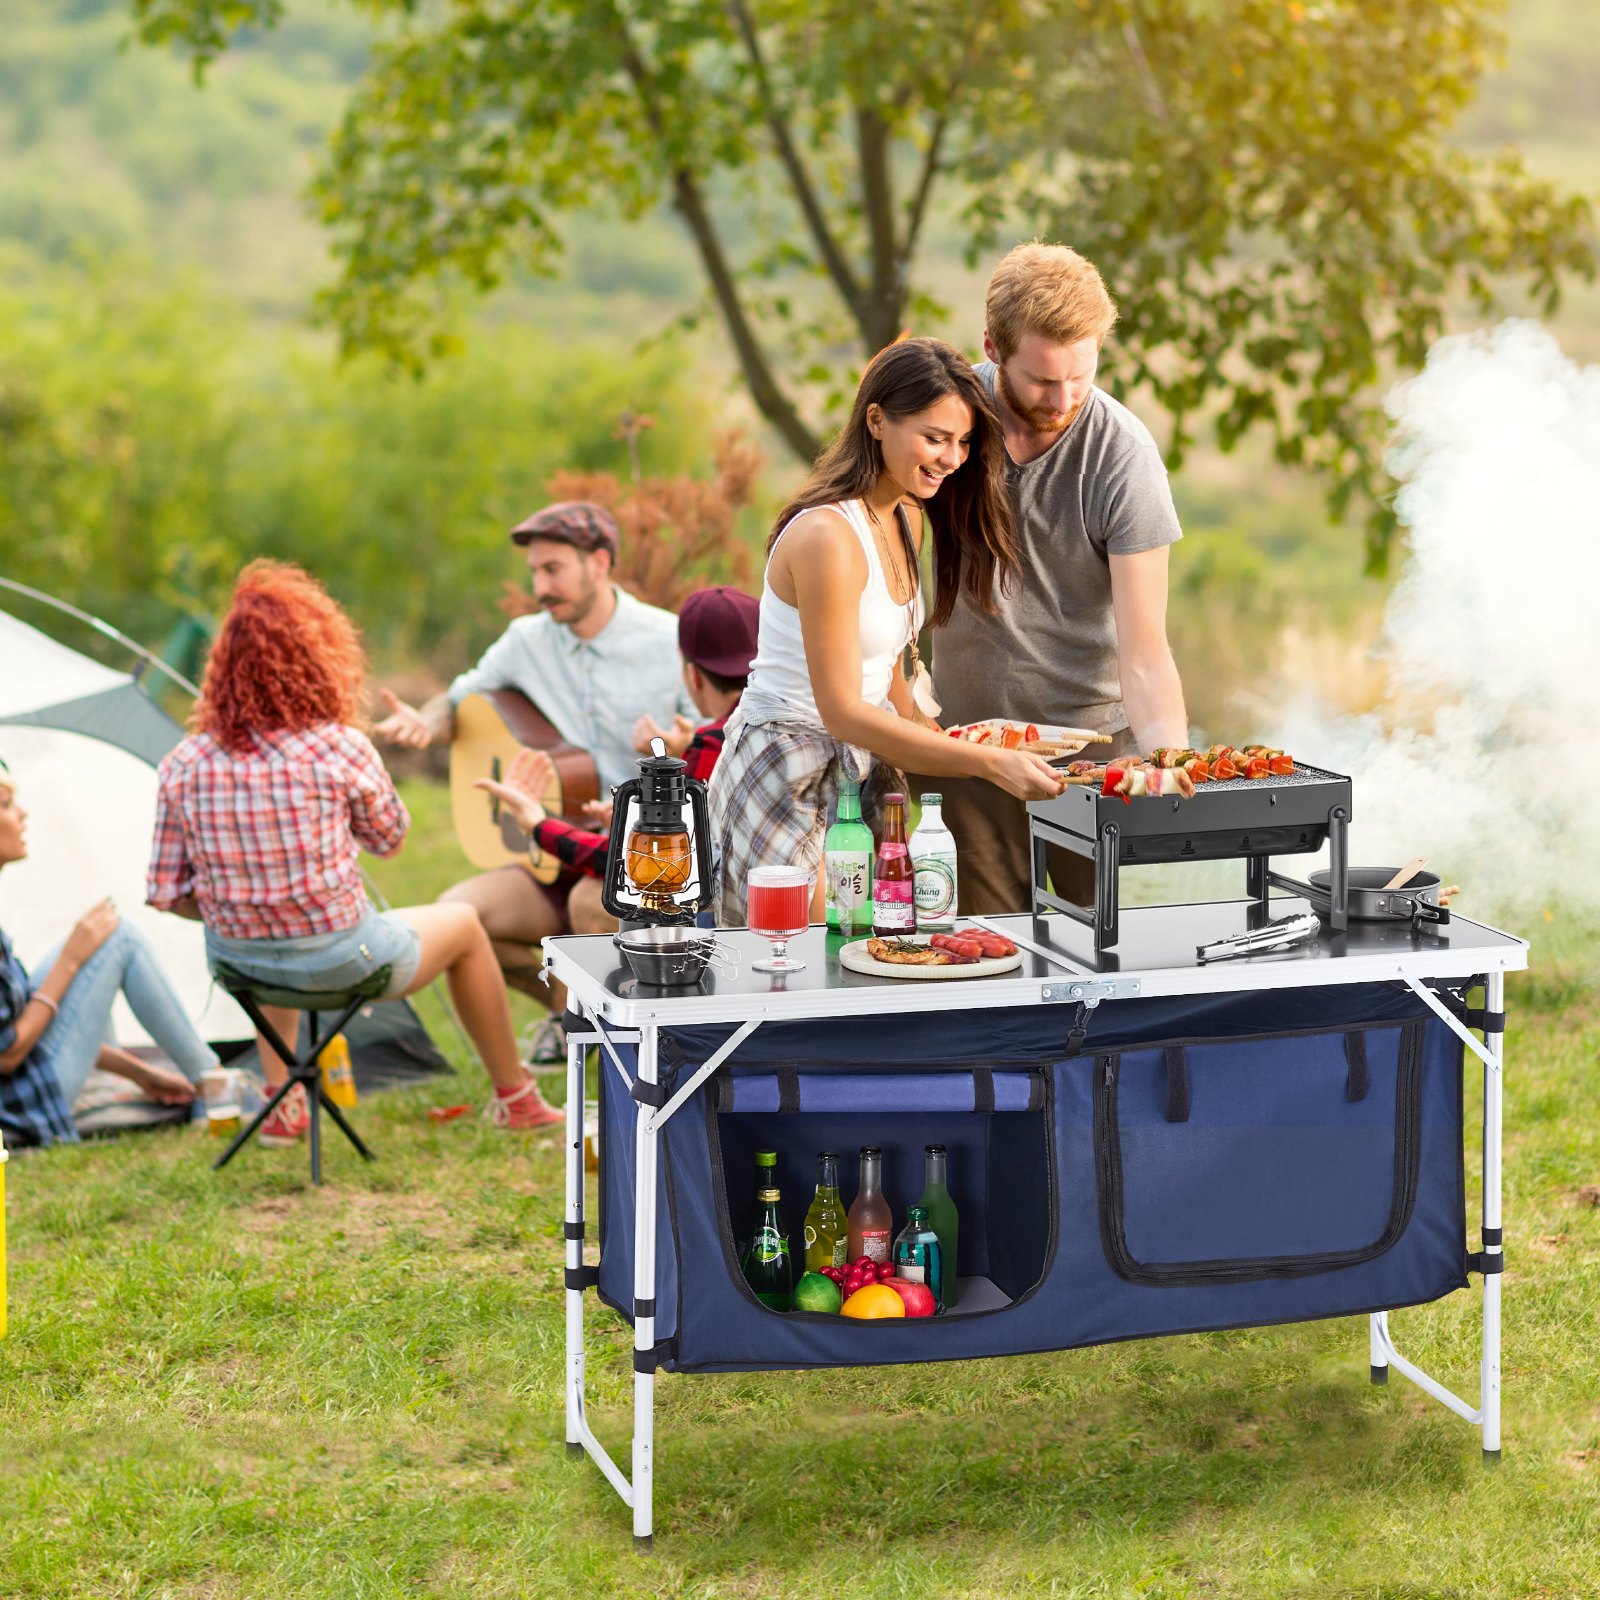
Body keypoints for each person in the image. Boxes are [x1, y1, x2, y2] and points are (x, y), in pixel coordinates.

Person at [146, 561, 561, 1137]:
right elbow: (390, 840)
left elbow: (167, 895)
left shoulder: (183, 762)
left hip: (238, 964)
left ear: (223, 670)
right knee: (465, 925)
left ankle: (283, 1103)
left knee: (268, 920)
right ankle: (516, 1097)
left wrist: (238, 901)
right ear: (319, 658)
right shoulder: (339, 748)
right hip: (344, 960)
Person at [706, 337, 1066, 928]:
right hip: (788, 765)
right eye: (935, 437)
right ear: (876, 420)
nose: (952, 458)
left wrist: (970, 744)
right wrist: (983, 766)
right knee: (806, 965)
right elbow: (844, 711)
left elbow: (892, 676)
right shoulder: (827, 537)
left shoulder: (905, 519)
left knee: (880, 951)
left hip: (861, 768)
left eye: (964, 441)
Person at [924, 241, 1190, 914]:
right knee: (982, 964)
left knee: (1102, 965)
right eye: (1044, 380)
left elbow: (1146, 649)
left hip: (1090, 762)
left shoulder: (1123, 458)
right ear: (991, 345)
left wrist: (1168, 762)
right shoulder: (947, 430)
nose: (1066, 397)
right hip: (967, 758)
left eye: (1083, 374)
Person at [374, 502, 695, 1054]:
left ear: (599, 563)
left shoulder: (667, 639)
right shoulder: (527, 640)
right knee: (460, 915)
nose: (541, 586)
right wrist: (424, 725)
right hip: (551, 845)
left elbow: (708, 742)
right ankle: (567, 1011)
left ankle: (629, 1042)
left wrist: (671, 746)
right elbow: (458, 700)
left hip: (640, 853)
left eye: (554, 570)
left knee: (590, 906)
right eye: (535, 572)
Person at [477, 585, 759, 887]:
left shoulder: (712, 745)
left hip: (722, 917)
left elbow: (629, 862)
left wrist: (537, 824)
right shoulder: (784, 724)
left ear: (693, 676)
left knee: (588, 899)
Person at [0, 753, 204, 1150]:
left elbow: (22, 1016)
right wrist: (71, 961)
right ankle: (213, 1084)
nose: (23, 813)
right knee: (117, 938)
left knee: (101, 936)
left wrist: (140, 1073)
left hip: (22, 1078)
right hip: (17, 1101)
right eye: (6, 805)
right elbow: (7, 1056)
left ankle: (206, 1080)